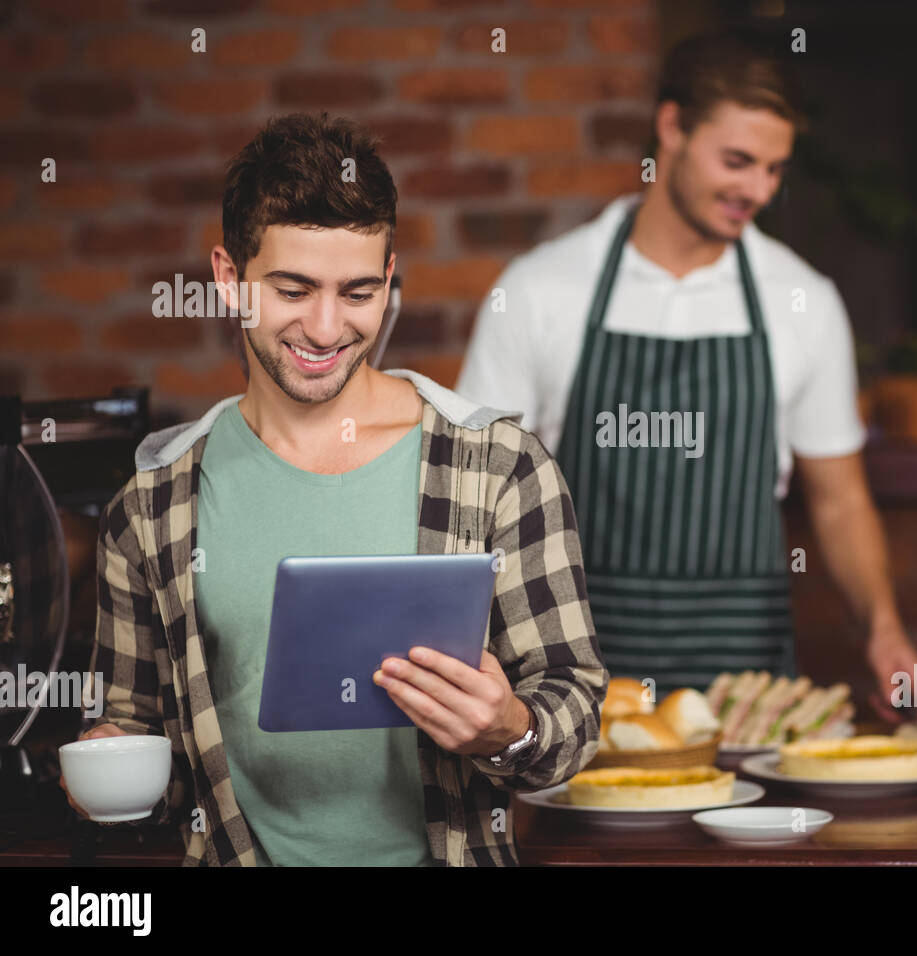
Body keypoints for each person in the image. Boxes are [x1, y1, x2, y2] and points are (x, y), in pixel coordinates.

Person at [62, 113, 607, 866]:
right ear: (229, 280)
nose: (325, 328)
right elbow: (134, 725)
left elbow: (573, 710)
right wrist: (110, 750)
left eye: (357, 292)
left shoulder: (500, 467)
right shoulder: (153, 506)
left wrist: (510, 727)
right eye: (293, 289)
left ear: (389, 281)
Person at [456, 32, 917, 716]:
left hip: (746, 700)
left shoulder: (803, 300)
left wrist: (882, 627)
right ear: (671, 126)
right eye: (737, 161)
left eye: (774, 169)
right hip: (578, 693)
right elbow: (477, 497)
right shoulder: (541, 289)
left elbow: (840, 500)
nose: (756, 189)